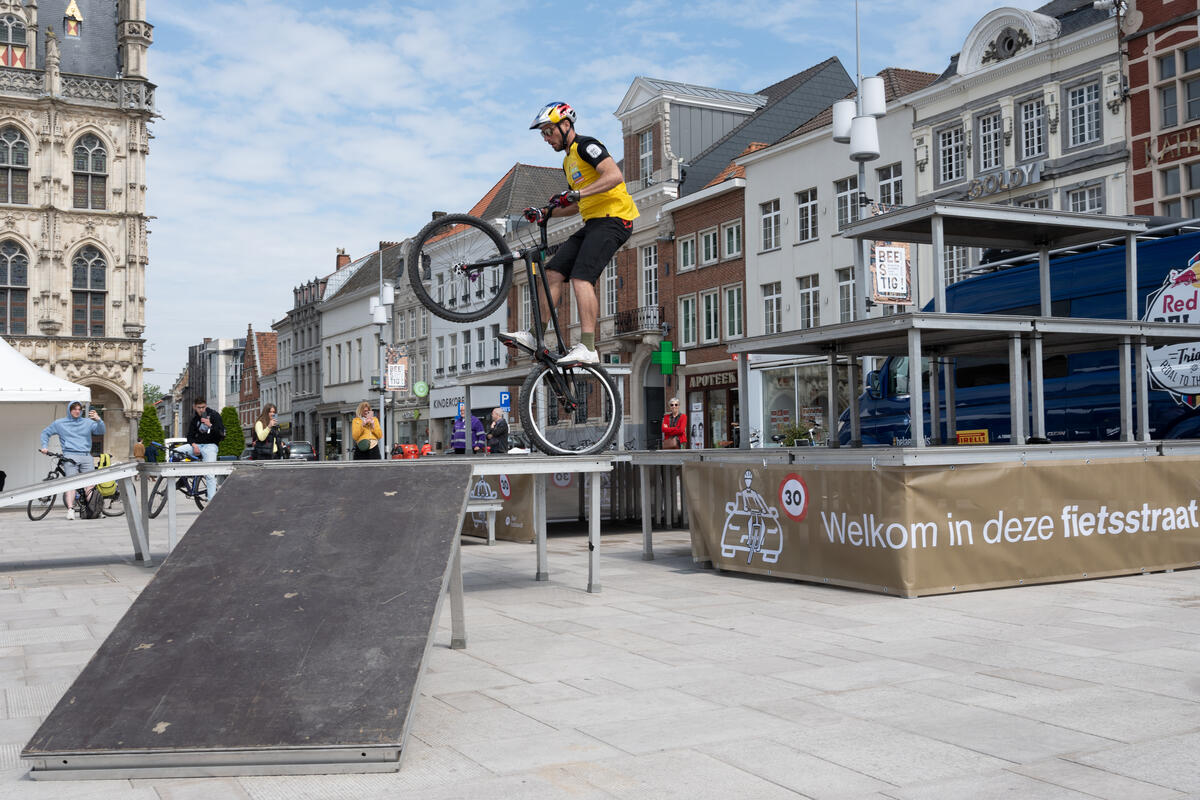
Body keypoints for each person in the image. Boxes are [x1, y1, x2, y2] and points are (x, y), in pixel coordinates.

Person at [500, 102, 639, 365]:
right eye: (543, 134)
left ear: (566, 125)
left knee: (580, 277)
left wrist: (578, 192)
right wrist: (546, 212)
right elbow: (576, 206)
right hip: (593, 222)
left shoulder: (587, 146)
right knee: (552, 273)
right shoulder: (568, 161)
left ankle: (588, 346)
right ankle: (535, 335)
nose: (546, 138)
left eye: (549, 131)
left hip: (616, 219)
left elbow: (614, 175)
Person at [39, 400, 104, 520]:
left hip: (86, 455)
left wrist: (99, 420)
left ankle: (93, 510)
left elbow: (101, 431)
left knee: (90, 485)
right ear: (69, 410)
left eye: (79, 409)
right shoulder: (60, 423)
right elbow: (45, 433)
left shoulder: (88, 422)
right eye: (74, 409)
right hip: (70, 456)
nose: (77, 411)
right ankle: (70, 510)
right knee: (71, 483)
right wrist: (44, 446)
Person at [185, 397, 226, 500]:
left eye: (203, 407)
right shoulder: (194, 419)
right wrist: (194, 446)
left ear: (206, 406)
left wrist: (210, 425)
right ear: (194, 407)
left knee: (210, 473)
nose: (201, 410)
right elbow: (189, 436)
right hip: (197, 445)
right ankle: (182, 479)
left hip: (211, 445)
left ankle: (211, 501)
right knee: (176, 453)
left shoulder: (214, 415)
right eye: (199, 408)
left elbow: (222, 434)